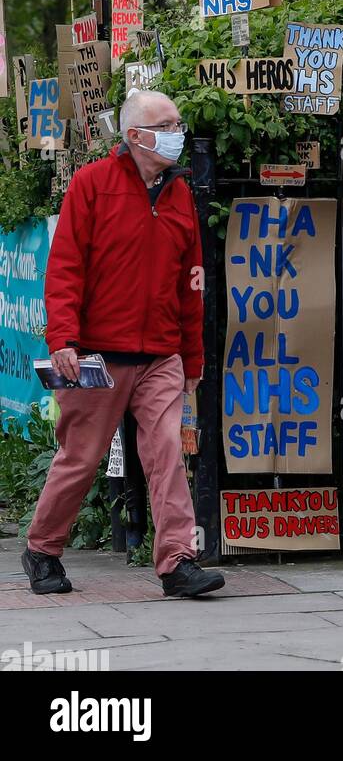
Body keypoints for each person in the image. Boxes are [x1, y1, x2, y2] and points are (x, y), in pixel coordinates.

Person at [22, 89, 225, 599]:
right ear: (135, 135)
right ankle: (42, 548)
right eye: (168, 124)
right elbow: (64, 268)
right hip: (95, 355)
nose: (178, 131)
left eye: (179, 122)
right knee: (81, 458)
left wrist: (192, 359)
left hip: (160, 355)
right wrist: (63, 338)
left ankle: (177, 561)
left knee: (166, 455)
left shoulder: (180, 195)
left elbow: (191, 282)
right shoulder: (92, 184)